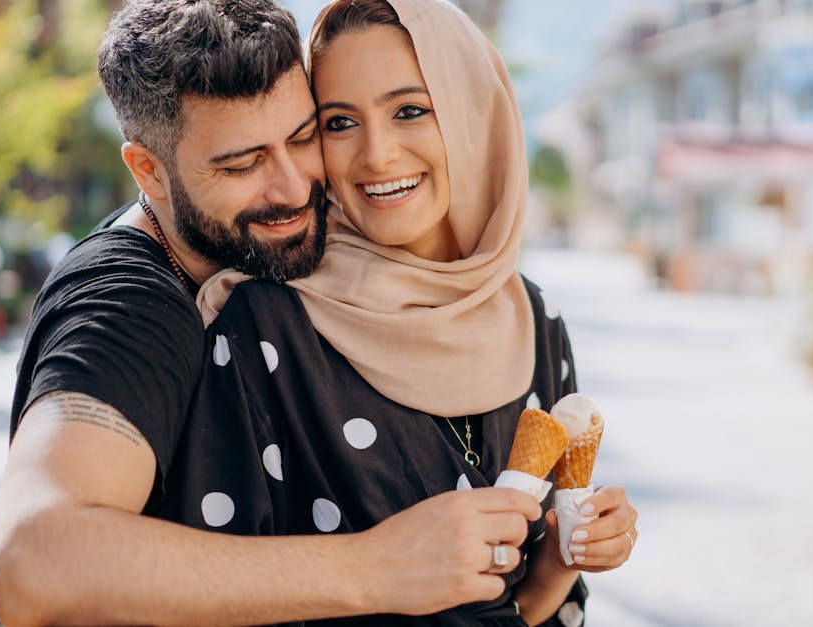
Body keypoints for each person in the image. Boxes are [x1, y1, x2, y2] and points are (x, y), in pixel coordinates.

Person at [0, 2, 545, 625]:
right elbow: (30, 566)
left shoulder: (324, 263)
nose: (292, 188)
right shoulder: (128, 303)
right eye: (242, 164)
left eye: (305, 137)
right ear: (149, 171)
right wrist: (377, 567)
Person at [193, 0, 639, 624]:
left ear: (472, 116)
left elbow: (520, 610)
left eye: (410, 111)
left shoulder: (535, 319)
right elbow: (213, 592)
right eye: (340, 123)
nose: (376, 156)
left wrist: (572, 554)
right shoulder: (267, 328)